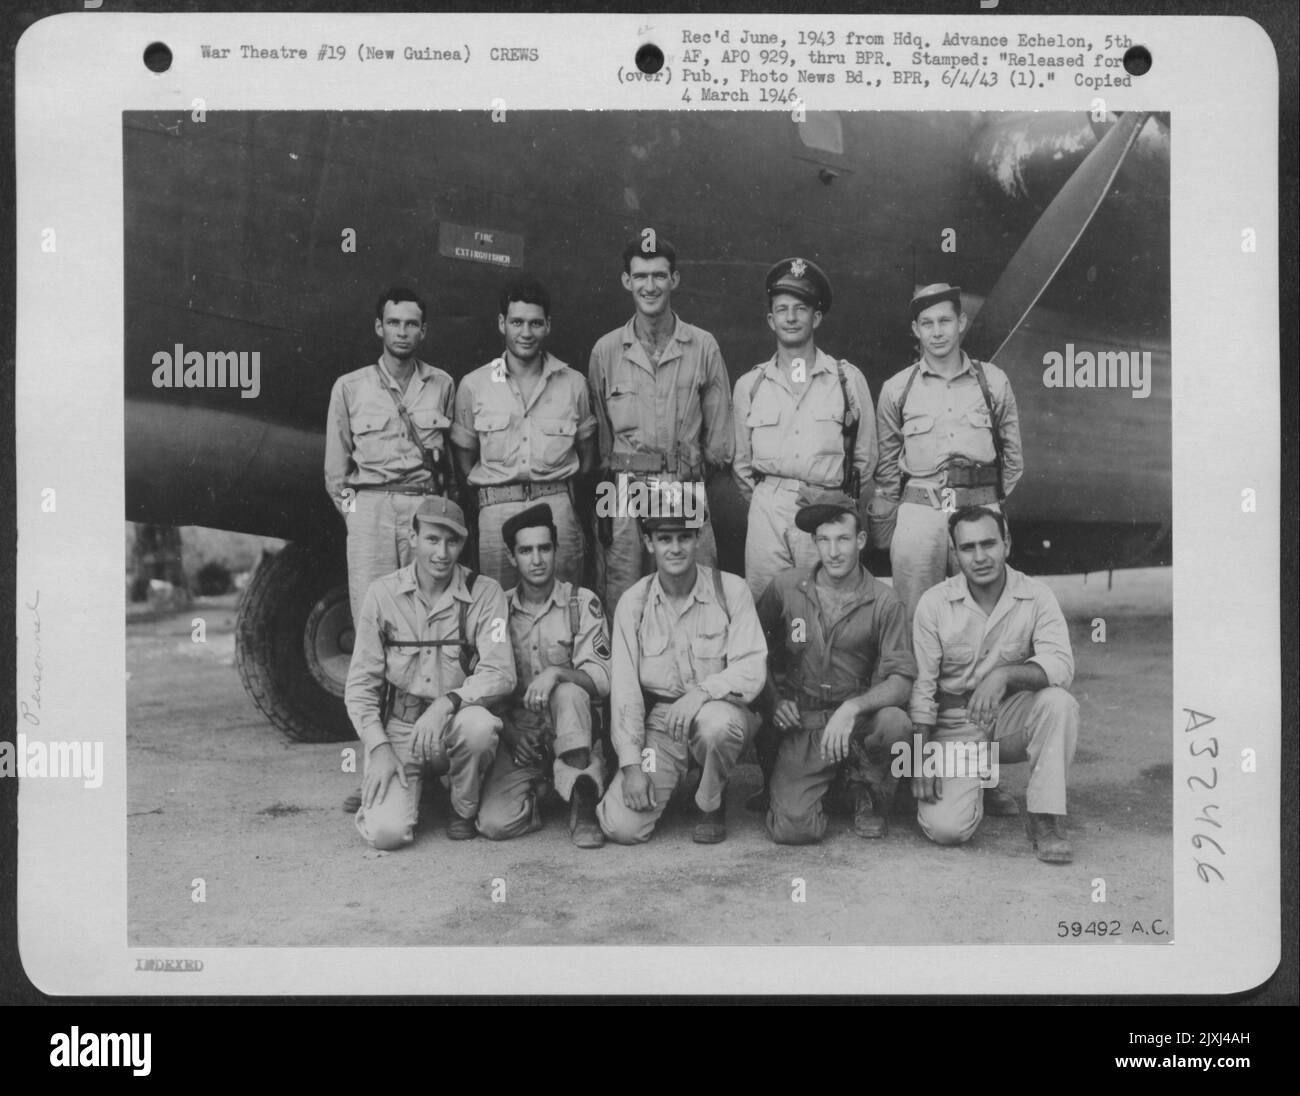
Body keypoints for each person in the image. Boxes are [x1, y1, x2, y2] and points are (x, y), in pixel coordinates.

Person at [595, 484, 767, 845]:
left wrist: (701, 694)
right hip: (662, 726)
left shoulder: (730, 590)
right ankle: (678, 781)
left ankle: (710, 801)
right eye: (664, 538)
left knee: (716, 726)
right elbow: (625, 690)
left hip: (719, 714)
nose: (675, 548)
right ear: (648, 543)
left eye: (685, 538)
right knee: (621, 828)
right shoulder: (634, 602)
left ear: (698, 539)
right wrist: (632, 767)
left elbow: (751, 668)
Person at [909, 505, 1078, 863]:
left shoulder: (1037, 596)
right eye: (968, 548)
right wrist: (921, 757)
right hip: (954, 727)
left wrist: (1003, 675)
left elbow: (1061, 665)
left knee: (1058, 703)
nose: (980, 557)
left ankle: (1045, 818)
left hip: (1008, 718)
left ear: (1007, 544)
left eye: (989, 544)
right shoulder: (934, 604)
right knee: (947, 830)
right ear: (954, 555)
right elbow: (923, 688)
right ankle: (974, 783)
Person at [345, 496, 515, 848]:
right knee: (386, 835)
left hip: (453, 724)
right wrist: (378, 747)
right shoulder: (381, 595)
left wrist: (447, 704)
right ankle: (414, 789)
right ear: (412, 539)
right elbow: (361, 685)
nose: (442, 553)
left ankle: (461, 808)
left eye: (452, 542)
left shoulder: (485, 593)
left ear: (463, 544)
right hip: (401, 729)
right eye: (432, 539)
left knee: (479, 727)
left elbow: (501, 672)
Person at [755, 491, 915, 844]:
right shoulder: (786, 587)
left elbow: (902, 681)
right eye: (824, 540)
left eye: (843, 539)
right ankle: (836, 788)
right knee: (793, 829)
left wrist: (853, 707)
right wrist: (775, 700)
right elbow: (752, 651)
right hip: (805, 723)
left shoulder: (884, 601)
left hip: (857, 722)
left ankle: (869, 793)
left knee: (896, 723)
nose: (834, 551)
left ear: (860, 540)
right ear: (814, 543)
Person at [587, 236, 733, 615]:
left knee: (694, 594)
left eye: (658, 276)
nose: (649, 286)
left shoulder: (703, 346)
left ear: (675, 280)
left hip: (682, 482)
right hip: (619, 490)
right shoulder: (605, 351)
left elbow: (719, 442)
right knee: (620, 592)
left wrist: (689, 480)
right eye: (640, 276)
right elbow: (601, 443)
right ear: (626, 281)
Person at [872, 283, 1023, 626]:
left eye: (945, 321)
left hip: (978, 507)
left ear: (962, 322)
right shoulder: (897, 388)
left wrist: (988, 502)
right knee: (914, 614)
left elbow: (1013, 460)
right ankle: (918, 681)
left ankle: (980, 681)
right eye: (927, 323)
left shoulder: (993, 382)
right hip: (920, 514)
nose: (937, 332)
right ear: (915, 329)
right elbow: (887, 467)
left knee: (983, 611)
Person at [732, 257, 876, 605]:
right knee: (767, 606)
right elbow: (741, 465)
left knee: (826, 605)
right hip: (768, 510)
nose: (791, 318)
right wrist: (774, 497)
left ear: (817, 317)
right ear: (771, 320)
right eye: (782, 310)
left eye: (801, 308)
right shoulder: (750, 385)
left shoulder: (847, 380)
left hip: (826, 508)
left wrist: (834, 500)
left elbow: (865, 459)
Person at [476, 504, 612, 848]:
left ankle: (583, 803)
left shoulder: (580, 603)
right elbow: (482, 683)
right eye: (525, 550)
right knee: (495, 823)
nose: (536, 559)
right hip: (522, 735)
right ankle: (543, 791)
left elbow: (602, 677)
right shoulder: (497, 613)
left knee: (568, 692)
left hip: (570, 727)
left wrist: (556, 673)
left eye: (544, 548)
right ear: (511, 558)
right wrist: (508, 733)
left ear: (555, 551)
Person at [451, 277, 597, 591]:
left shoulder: (574, 384)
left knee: (564, 606)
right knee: (497, 611)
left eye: (535, 323)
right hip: (496, 513)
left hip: (557, 507)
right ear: (502, 323)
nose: (526, 333)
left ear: (548, 326)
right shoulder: (474, 385)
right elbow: (464, 457)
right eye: (517, 322)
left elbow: (587, 457)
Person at [325, 287, 457, 624]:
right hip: (370, 509)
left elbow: (450, 464)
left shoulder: (442, 384)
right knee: (372, 617)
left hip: (422, 506)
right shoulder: (350, 387)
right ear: (379, 327)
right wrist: (356, 517)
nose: (402, 332)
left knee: (426, 612)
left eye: (411, 324)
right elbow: (335, 474)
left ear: (423, 330)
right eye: (393, 322)